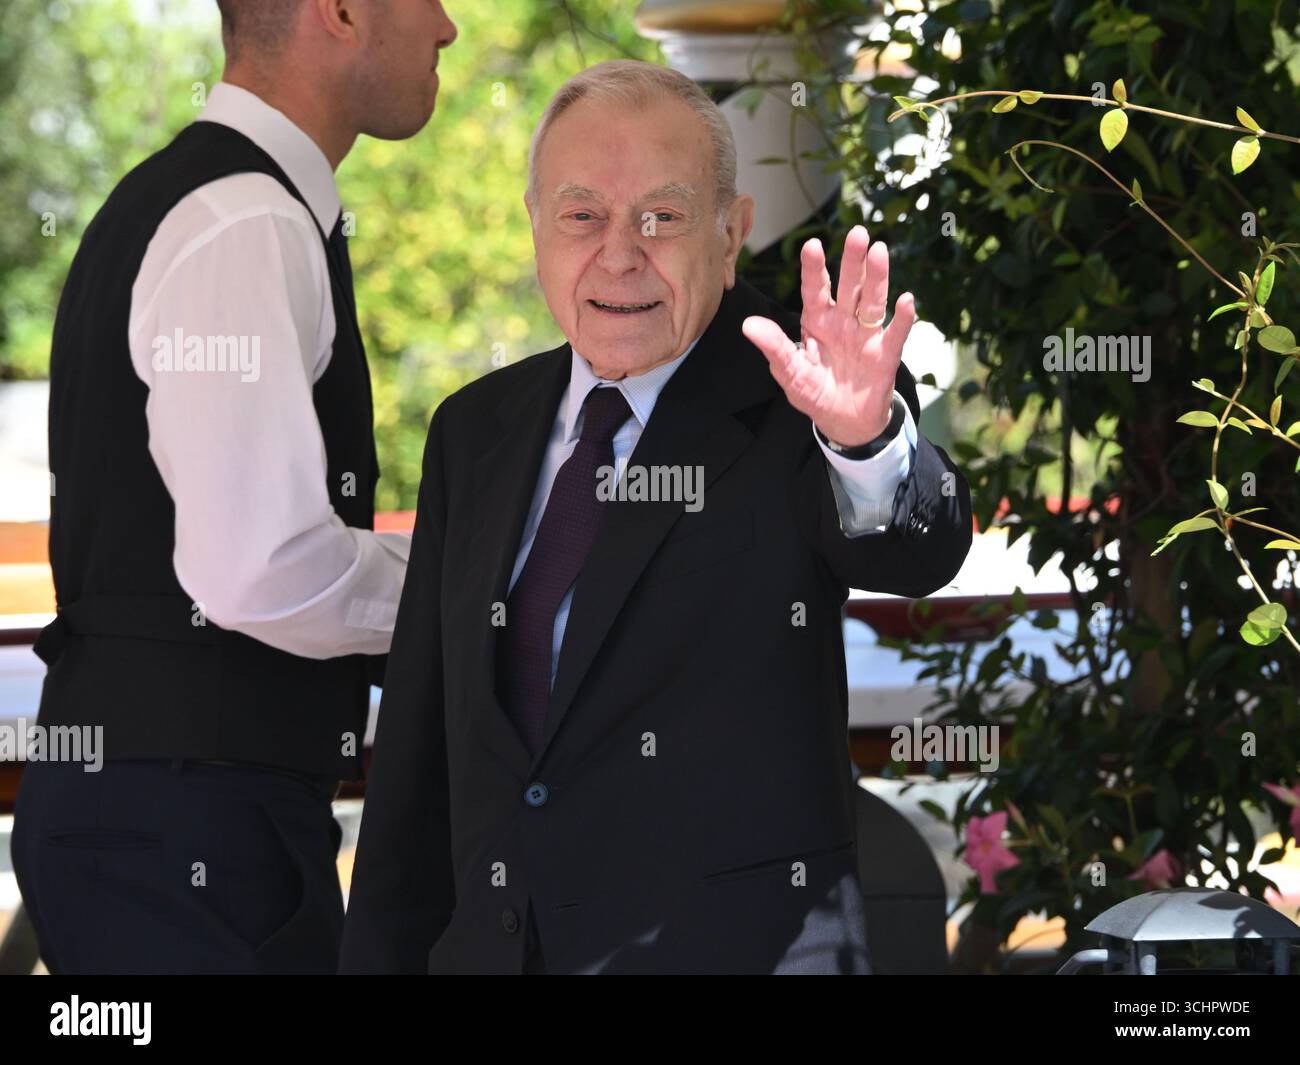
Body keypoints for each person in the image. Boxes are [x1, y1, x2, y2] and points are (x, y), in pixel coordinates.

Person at [339, 58, 971, 975]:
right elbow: (417, 768)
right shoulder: (473, 431)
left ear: (731, 231)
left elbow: (918, 550)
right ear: (537, 229)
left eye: (662, 217)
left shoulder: (805, 402)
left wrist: (867, 442)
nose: (620, 251)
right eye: (582, 215)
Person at [12, 0, 458, 974]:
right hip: (186, 820)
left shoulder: (200, 199)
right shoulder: (245, 218)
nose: (447, 28)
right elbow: (260, 568)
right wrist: (475, 584)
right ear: (339, 11)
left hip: (158, 811)